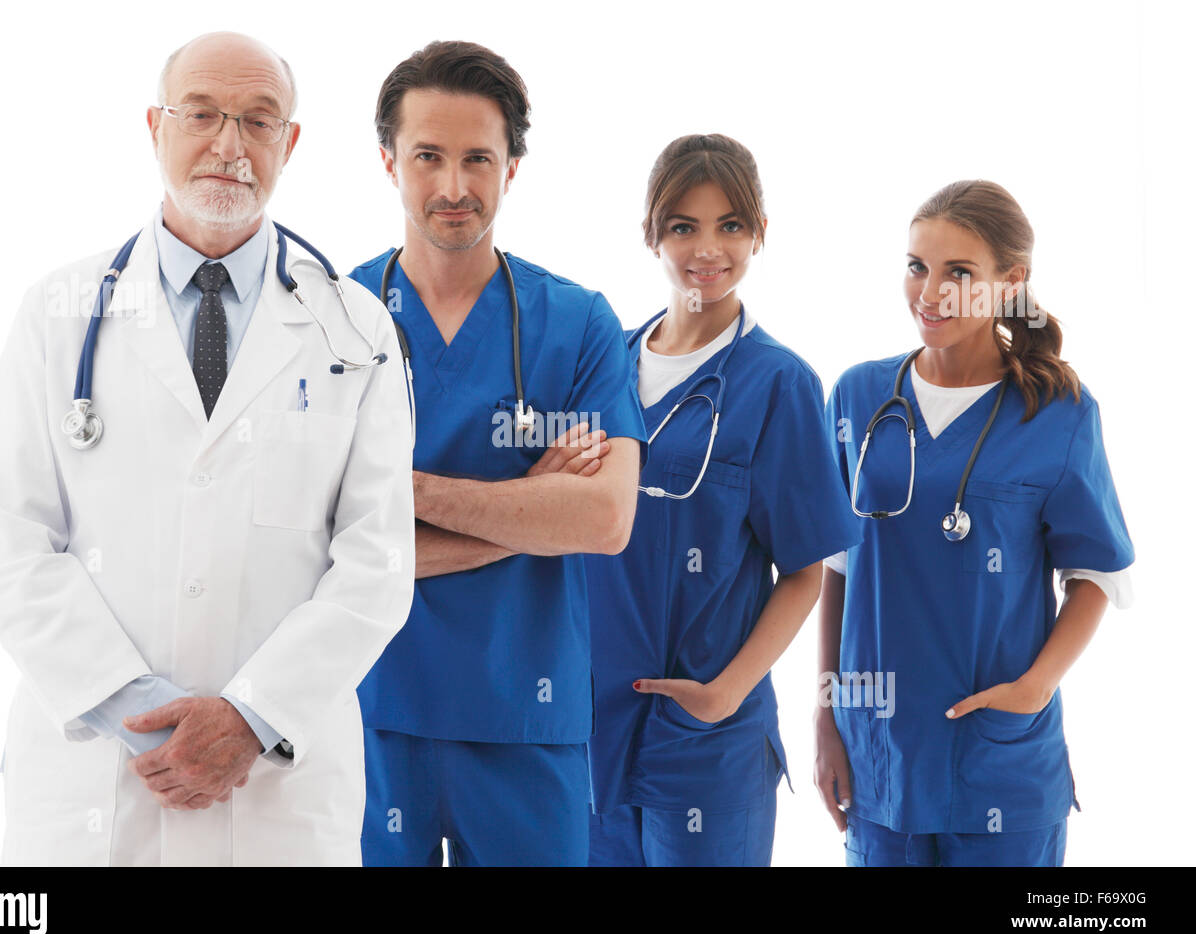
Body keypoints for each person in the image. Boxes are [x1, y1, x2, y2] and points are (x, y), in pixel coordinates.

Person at [0, 32, 415, 866]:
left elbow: (378, 563)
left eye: (257, 120)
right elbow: (8, 547)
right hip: (95, 788)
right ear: (154, 127)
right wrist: (136, 711)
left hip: (277, 792)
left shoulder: (356, 329)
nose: (229, 145)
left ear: (291, 143)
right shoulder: (57, 315)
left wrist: (249, 717)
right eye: (202, 114)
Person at [348, 40, 646, 867]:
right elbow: (309, 545)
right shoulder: (330, 321)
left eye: (478, 157)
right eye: (428, 157)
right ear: (387, 162)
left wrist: (394, 493)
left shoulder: (578, 322)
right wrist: (529, 512)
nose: (453, 187)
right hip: (366, 716)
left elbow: (606, 517)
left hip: (527, 723)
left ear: (512, 166)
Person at [815, 179, 1134, 867]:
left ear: (1009, 281)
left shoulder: (1059, 413)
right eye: (916, 266)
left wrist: (1038, 685)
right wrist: (824, 716)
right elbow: (834, 565)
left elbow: (1098, 574)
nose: (929, 293)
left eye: (958, 273)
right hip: (879, 756)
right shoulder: (859, 396)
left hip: (1000, 761)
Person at [582, 134, 861, 866]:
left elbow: (806, 568)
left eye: (730, 224)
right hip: (586, 726)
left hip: (707, 741)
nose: (708, 249)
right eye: (683, 226)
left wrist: (726, 691)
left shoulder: (779, 384)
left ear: (760, 233)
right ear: (652, 236)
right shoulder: (599, 360)